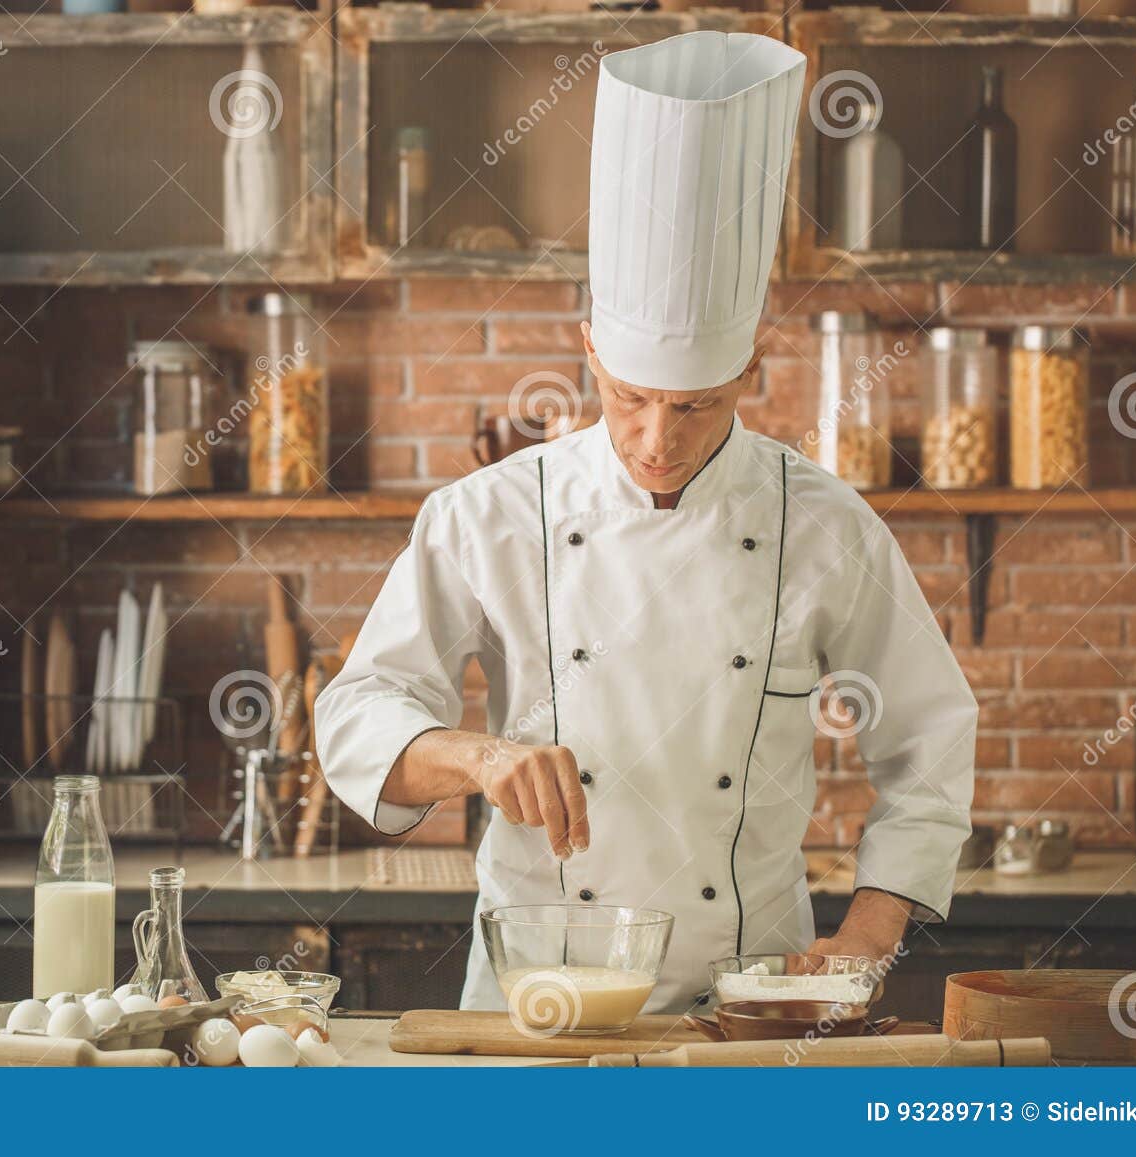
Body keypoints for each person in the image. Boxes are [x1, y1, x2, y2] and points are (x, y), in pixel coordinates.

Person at [315, 30, 975, 1011]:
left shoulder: (823, 523)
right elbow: (356, 717)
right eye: (628, 397)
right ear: (588, 351)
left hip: (746, 1004)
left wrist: (865, 935)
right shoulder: (490, 512)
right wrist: (478, 755)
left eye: (696, 402)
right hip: (530, 998)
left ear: (752, 369)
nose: (657, 436)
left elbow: (930, 736)